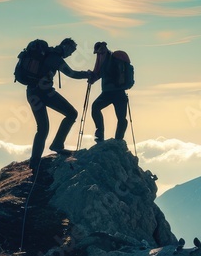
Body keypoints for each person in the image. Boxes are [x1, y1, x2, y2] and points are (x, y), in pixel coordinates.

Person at [27, 38, 91, 172]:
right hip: (46, 93)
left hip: (33, 93)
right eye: (72, 50)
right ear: (66, 46)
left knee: (42, 128)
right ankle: (57, 144)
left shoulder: (49, 54)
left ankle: (35, 162)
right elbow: (71, 73)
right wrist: (88, 74)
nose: (71, 54)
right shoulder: (55, 58)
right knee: (71, 113)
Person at [87, 41, 132, 143]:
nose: (99, 53)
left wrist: (92, 77)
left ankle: (102, 136)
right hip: (118, 92)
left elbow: (99, 73)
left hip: (110, 92)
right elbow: (100, 73)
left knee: (96, 107)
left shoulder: (108, 60)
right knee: (121, 118)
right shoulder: (108, 59)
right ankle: (117, 139)